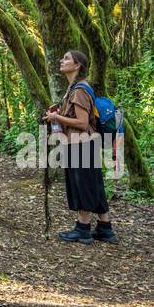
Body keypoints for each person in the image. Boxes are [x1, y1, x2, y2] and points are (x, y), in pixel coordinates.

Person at [44, 49, 117, 243]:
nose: (62, 60)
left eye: (67, 58)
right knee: (94, 184)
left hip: (82, 143)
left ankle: (83, 228)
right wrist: (59, 113)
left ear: (77, 65)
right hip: (84, 143)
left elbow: (83, 123)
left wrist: (55, 117)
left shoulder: (79, 90)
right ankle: (105, 228)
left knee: (82, 185)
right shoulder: (75, 89)